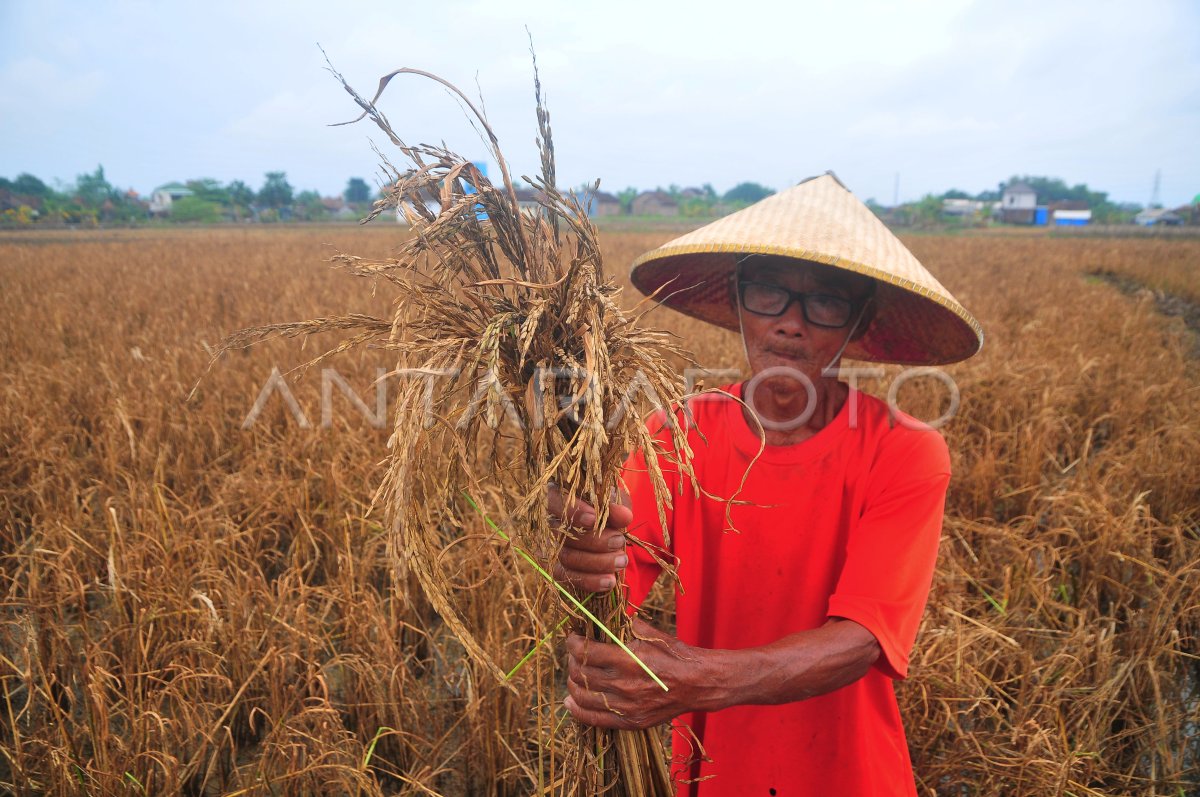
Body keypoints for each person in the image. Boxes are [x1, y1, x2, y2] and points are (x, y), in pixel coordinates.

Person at [551, 173, 984, 796]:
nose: (790, 324)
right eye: (768, 292)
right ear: (737, 300)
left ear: (858, 320)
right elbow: (611, 585)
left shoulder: (903, 450)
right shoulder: (678, 433)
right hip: (712, 774)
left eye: (826, 302)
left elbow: (862, 641)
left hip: (846, 776)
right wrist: (578, 546)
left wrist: (692, 678)